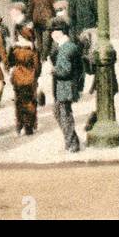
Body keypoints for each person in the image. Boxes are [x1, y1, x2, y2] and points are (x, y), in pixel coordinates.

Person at [49, 17, 83, 153]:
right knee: (60, 113)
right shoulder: (68, 46)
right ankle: (72, 141)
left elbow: (65, 70)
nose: (51, 34)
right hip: (67, 87)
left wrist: (53, 69)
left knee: (64, 116)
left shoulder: (65, 49)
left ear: (59, 32)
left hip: (65, 87)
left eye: (53, 31)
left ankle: (72, 144)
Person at [8, 24, 40, 136]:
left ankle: (19, 124)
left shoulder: (14, 50)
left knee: (19, 102)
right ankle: (29, 126)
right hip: (30, 78)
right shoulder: (33, 51)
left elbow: (10, 62)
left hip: (17, 78)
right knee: (30, 102)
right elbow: (37, 67)